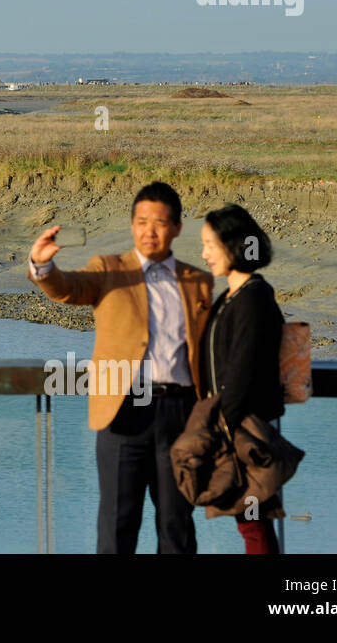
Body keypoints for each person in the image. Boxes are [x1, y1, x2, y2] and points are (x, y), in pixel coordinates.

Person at [29, 182, 213, 553]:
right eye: (141, 221)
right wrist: (43, 265)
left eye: (159, 222)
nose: (150, 230)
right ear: (131, 225)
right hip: (124, 408)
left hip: (181, 413)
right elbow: (68, 288)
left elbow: (210, 350)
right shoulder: (108, 269)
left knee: (177, 527)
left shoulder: (199, 281)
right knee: (117, 525)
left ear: (177, 228)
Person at [198, 203, 286, 554]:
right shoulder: (232, 297)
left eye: (209, 244)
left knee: (254, 523)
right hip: (235, 425)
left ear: (233, 245)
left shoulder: (253, 297)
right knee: (250, 522)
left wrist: (219, 428)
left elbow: (242, 371)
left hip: (245, 429)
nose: (203, 254)